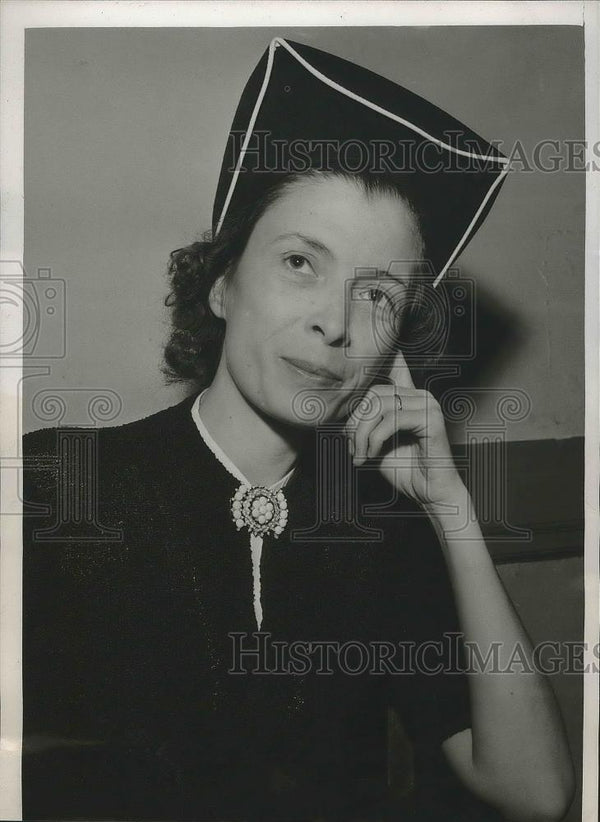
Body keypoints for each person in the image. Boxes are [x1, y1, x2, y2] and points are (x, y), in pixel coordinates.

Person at [22, 38, 575, 821]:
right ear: (220, 282)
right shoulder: (57, 487)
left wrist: (451, 512)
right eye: (300, 263)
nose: (336, 324)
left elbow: (537, 793)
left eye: (378, 294)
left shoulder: (383, 534)